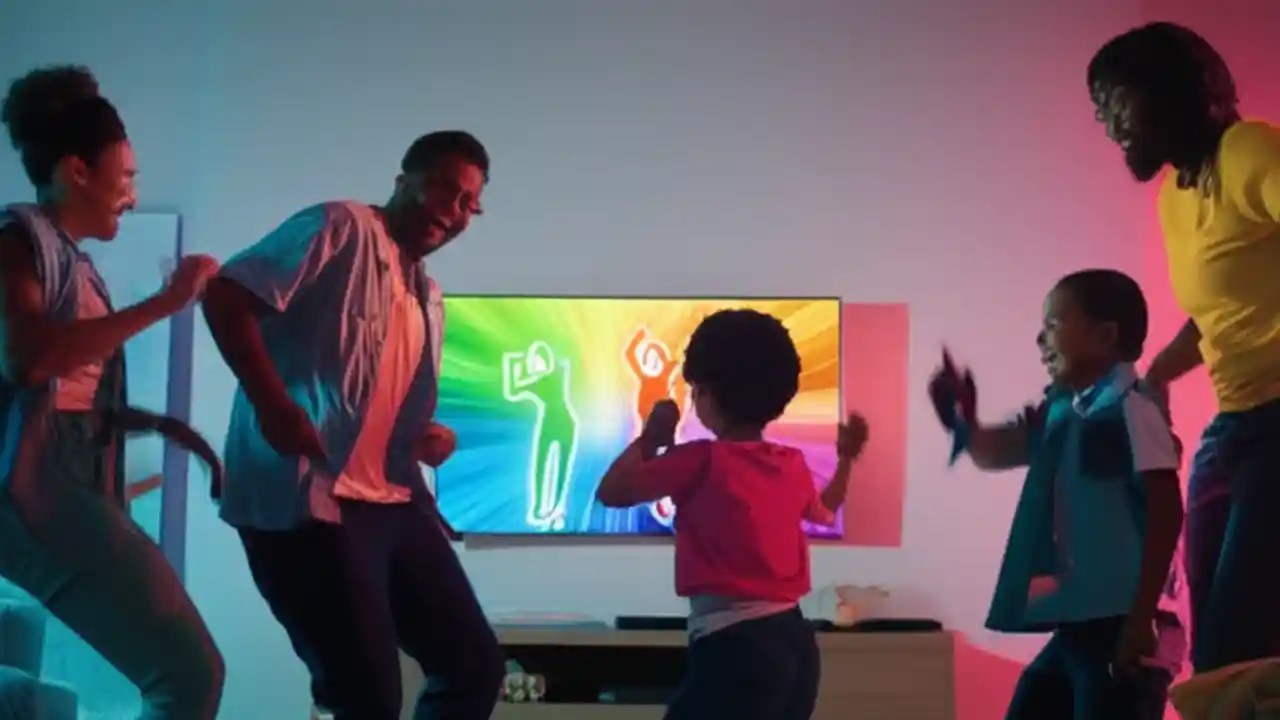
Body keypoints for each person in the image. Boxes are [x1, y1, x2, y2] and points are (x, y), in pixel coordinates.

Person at [201, 130, 503, 720]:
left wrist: (421, 435)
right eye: (446, 189)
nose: (455, 210)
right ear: (404, 181)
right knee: (366, 695)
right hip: (315, 501)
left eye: (471, 203)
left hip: (392, 502)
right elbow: (225, 297)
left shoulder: (428, 295)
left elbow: (368, 395)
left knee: (474, 666)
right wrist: (274, 406)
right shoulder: (340, 227)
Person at [0, 65, 224, 719]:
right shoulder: (17, 240)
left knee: (189, 675)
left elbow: (78, 395)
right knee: (188, 674)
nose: (131, 195)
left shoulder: (68, 258)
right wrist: (167, 302)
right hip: (34, 489)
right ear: (77, 170)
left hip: (67, 479)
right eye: (124, 177)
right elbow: (30, 360)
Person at [1088, 22, 1280, 674]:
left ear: (1169, 89)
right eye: (1099, 110)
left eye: (1115, 101)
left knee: (1240, 644)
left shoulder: (1249, 151)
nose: (1108, 123)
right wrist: (1157, 377)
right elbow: (1217, 314)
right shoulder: (1176, 196)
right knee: (1216, 654)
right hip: (1235, 428)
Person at [929, 269, 1185, 719]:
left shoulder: (1134, 409)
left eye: (1052, 325)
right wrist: (962, 417)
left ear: (1105, 337)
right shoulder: (1062, 411)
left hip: (1123, 625)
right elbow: (994, 452)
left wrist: (1140, 618)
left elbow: (1166, 510)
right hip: (1077, 626)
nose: (1039, 340)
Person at [596, 308, 866, 720]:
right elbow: (826, 510)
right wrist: (846, 459)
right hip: (796, 644)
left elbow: (612, 492)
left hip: (735, 647)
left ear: (707, 392)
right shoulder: (790, 463)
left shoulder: (700, 460)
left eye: (694, 389)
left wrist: (651, 438)